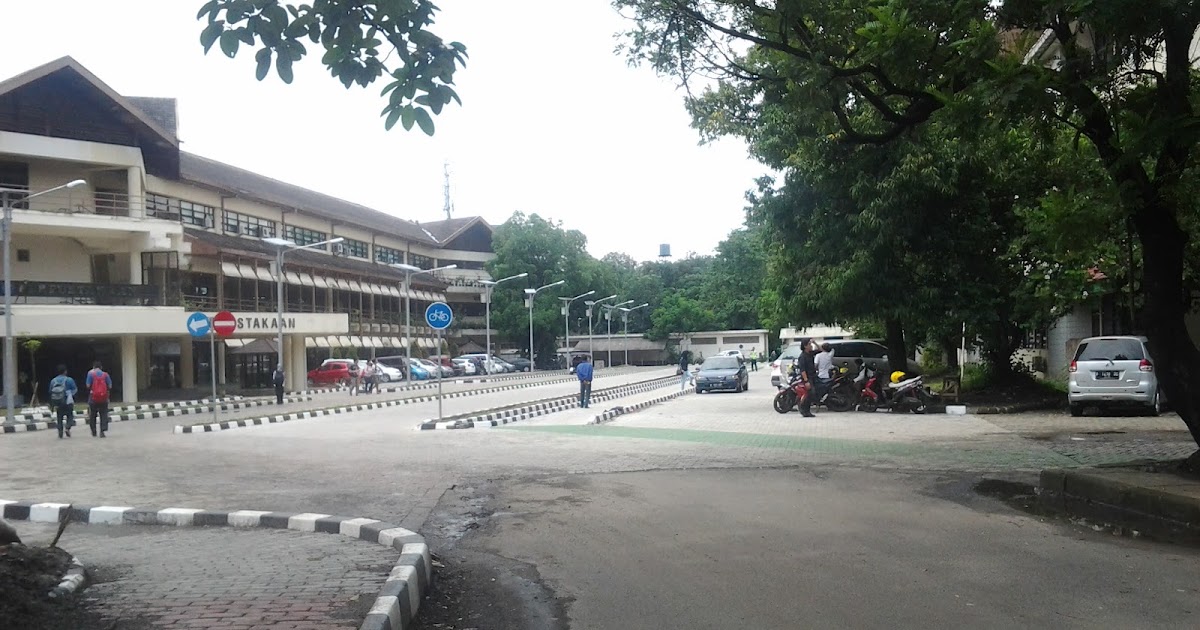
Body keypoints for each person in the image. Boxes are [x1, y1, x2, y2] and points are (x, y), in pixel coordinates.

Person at [48, 364, 77, 439]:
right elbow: (74, 390)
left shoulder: (53, 381)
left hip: (57, 402)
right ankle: (67, 428)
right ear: (65, 371)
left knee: (59, 417)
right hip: (67, 401)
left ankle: (60, 432)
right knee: (70, 415)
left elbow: (50, 391)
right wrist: (71, 395)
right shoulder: (69, 380)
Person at [85, 361, 112, 437]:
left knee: (92, 415)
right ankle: (102, 431)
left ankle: (94, 431)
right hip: (103, 398)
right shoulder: (105, 375)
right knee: (103, 414)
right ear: (101, 367)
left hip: (93, 397)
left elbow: (87, 385)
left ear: (93, 367)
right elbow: (110, 386)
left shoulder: (90, 374)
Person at [796, 340, 819, 418]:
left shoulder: (810, 354)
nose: (811, 346)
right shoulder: (802, 357)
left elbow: (820, 350)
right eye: (809, 344)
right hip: (807, 378)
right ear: (805, 346)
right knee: (809, 394)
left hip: (813, 376)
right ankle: (804, 410)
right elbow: (803, 370)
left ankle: (807, 411)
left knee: (812, 394)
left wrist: (814, 342)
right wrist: (806, 381)